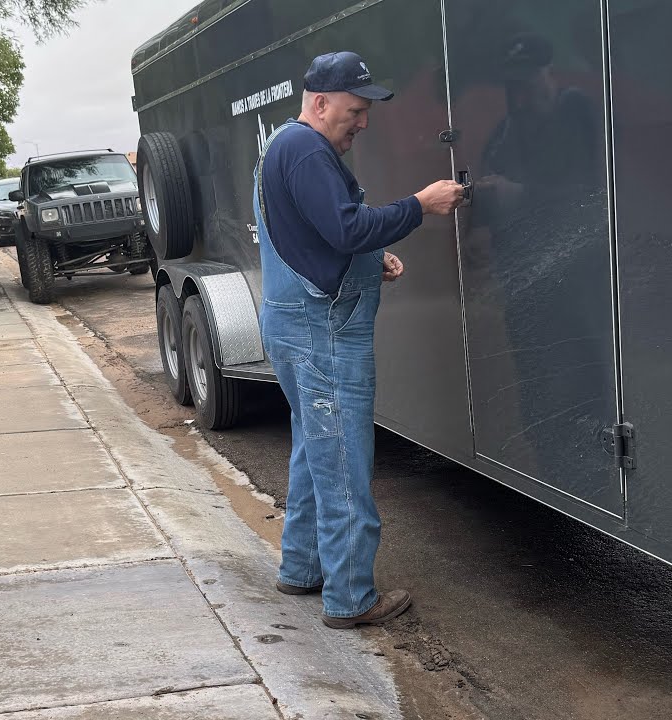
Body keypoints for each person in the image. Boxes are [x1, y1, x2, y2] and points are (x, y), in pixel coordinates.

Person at [252, 51, 465, 628]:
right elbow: (346, 226)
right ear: (319, 103)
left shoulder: (284, 146)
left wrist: (373, 258)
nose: (363, 122)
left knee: (311, 450)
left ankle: (301, 568)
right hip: (322, 333)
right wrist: (419, 206)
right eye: (355, 109)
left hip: (297, 325)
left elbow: (318, 234)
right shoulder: (306, 151)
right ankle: (350, 597)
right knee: (343, 459)